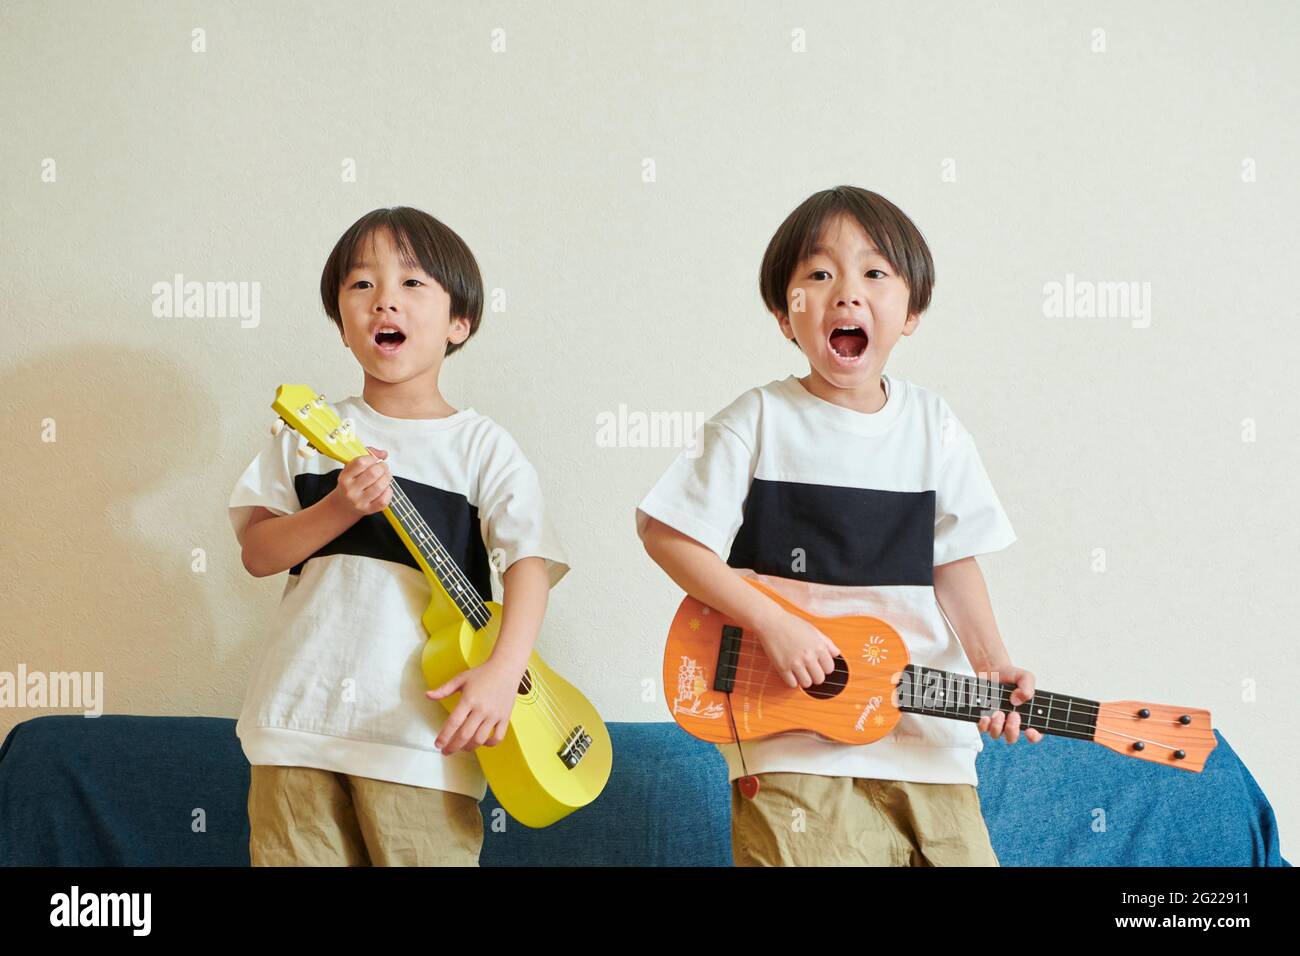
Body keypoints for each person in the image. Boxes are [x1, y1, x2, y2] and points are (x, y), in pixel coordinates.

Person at [637, 185, 1041, 867]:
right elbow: (667, 532)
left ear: (911, 310)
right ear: (783, 315)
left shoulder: (933, 426)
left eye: (875, 274)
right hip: (792, 735)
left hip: (929, 744)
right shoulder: (758, 420)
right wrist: (773, 622)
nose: (847, 293)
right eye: (819, 275)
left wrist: (991, 661)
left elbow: (954, 561)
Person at [229, 206, 568, 865]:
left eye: (413, 283)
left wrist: (504, 672)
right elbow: (258, 553)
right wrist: (337, 509)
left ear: (459, 323)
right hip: (296, 725)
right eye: (361, 285)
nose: (384, 298)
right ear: (345, 330)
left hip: (422, 739)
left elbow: (530, 559)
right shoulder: (307, 435)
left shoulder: (481, 446)